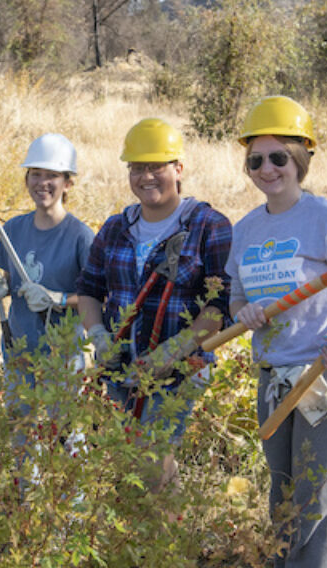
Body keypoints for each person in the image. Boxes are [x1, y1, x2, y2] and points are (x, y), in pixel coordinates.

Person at [224, 96, 327, 568]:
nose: (267, 170)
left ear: (300, 159)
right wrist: (248, 313)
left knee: (312, 506)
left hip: (323, 379)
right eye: (255, 161)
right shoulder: (244, 230)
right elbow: (237, 301)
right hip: (273, 378)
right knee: (282, 502)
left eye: (277, 159)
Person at [77, 117, 232, 445]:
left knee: (151, 458)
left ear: (178, 168)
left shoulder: (207, 226)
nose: (145, 177)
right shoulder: (116, 227)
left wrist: (174, 351)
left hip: (177, 374)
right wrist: (99, 337)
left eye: (156, 167)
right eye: (136, 167)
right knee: (131, 461)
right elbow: (89, 290)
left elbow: (222, 304)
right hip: (120, 373)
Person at [0, 133, 94, 367]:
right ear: (27, 180)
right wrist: (0, 288)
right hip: (18, 350)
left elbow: (97, 298)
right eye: (36, 174)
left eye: (52, 176)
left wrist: (58, 299)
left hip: (62, 355)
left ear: (68, 183)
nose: (42, 183)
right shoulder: (12, 229)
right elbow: (11, 282)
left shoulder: (80, 236)